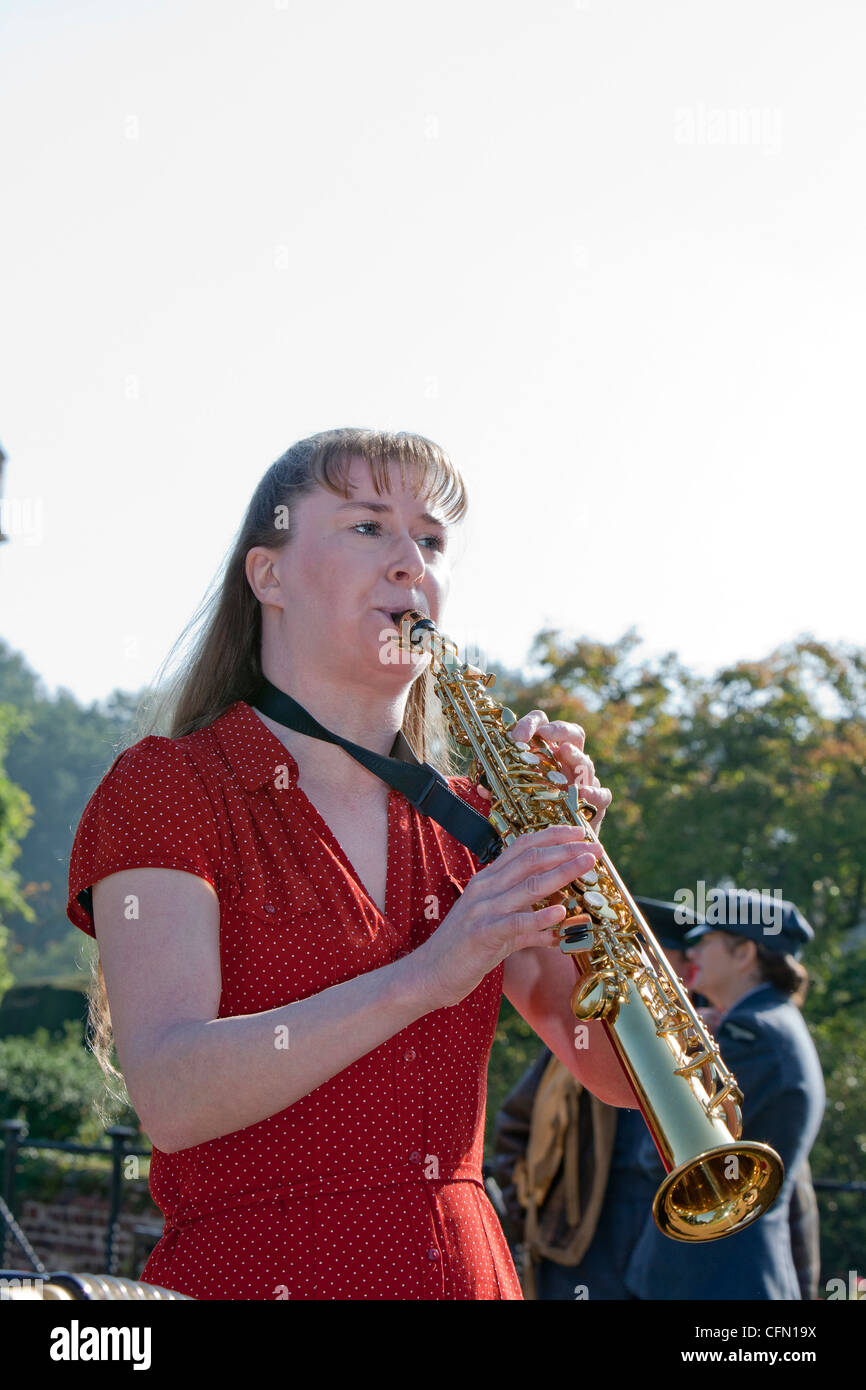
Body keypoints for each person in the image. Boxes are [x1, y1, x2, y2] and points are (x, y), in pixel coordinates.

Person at [65, 427, 635, 1301]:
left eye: (433, 540)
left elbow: (612, 1071)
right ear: (270, 575)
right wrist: (427, 975)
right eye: (370, 527)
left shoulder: (481, 823)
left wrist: (583, 875)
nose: (412, 561)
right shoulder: (167, 788)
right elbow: (172, 1096)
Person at [625, 889, 826, 1301]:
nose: (694, 950)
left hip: (714, 1276)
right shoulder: (768, 1024)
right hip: (732, 1272)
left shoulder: (751, 1034)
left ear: (744, 953)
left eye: (709, 938)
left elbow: (660, 1156)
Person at [491, 898, 694, 1299]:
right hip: (583, 1241)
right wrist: (530, 1212)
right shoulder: (591, 1021)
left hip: (656, 1242)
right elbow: (517, 1121)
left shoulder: (697, 1032)